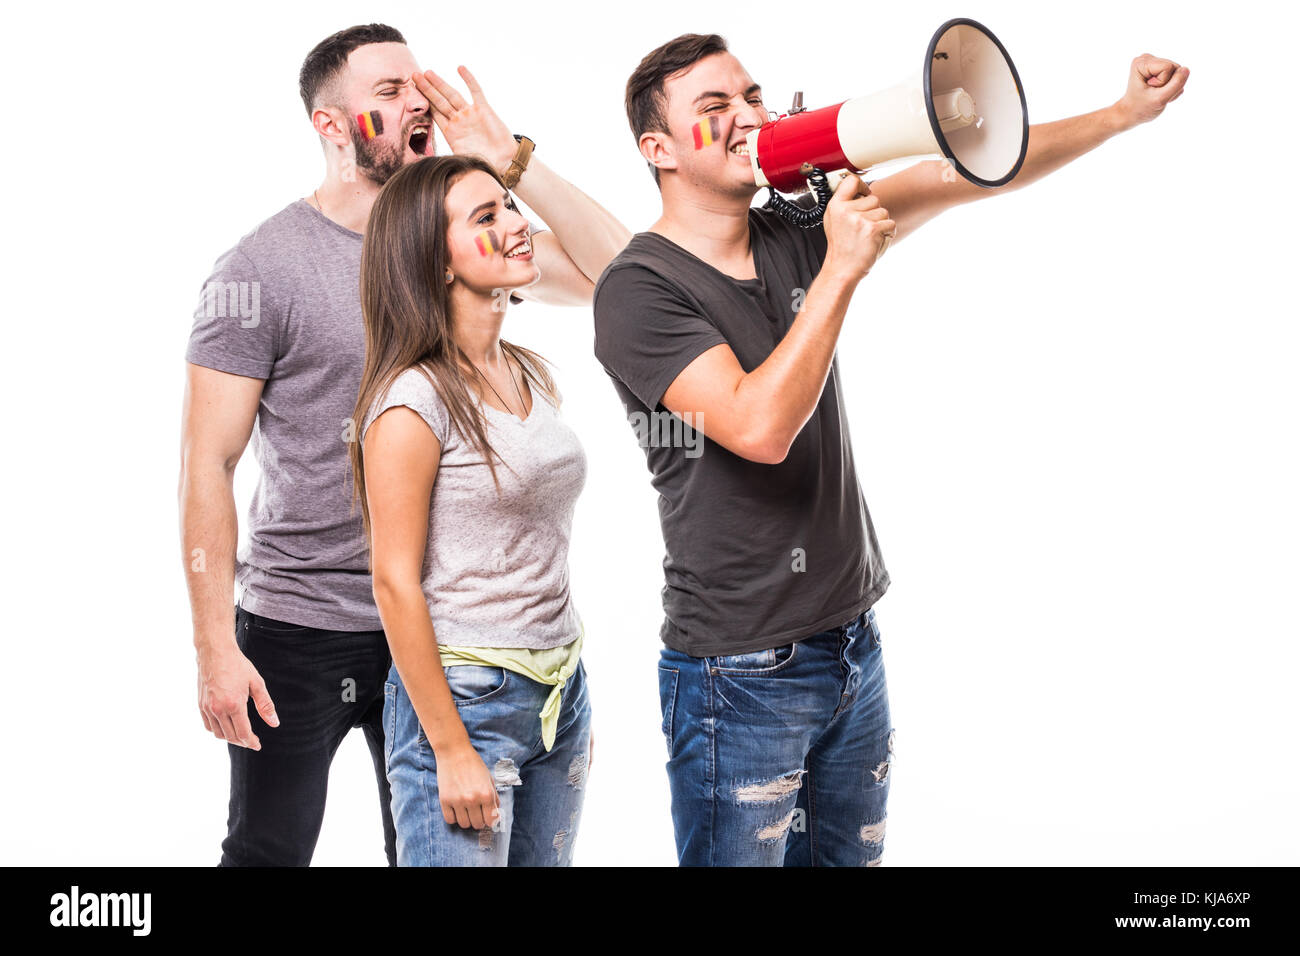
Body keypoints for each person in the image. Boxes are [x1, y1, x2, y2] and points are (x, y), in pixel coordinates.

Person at [593, 33, 1189, 866]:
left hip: (851, 641)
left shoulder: (794, 230)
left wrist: (1122, 115)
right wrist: (840, 269)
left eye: (752, 96)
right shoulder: (637, 288)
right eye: (713, 108)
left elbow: (969, 173)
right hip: (739, 672)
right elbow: (759, 428)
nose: (746, 118)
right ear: (657, 149)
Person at [181, 23, 628, 866]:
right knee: (267, 848)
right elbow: (209, 462)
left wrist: (508, 162)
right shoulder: (259, 269)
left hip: (442, 628)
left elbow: (620, 276)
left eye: (416, 85)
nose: (416, 100)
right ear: (330, 124)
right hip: (299, 620)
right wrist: (214, 646)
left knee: (431, 844)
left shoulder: (458, 248)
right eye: (387, 93)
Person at [352, 154, 615, 866]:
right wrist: (448, 748)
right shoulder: (413, 402)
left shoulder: (527, 370)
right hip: (465, 699)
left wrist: (558, 710)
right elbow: (393, 582)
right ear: (435, 263)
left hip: (557, 692)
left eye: (510, 204)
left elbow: (616, 270)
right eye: (487, 216)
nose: (517, 223)